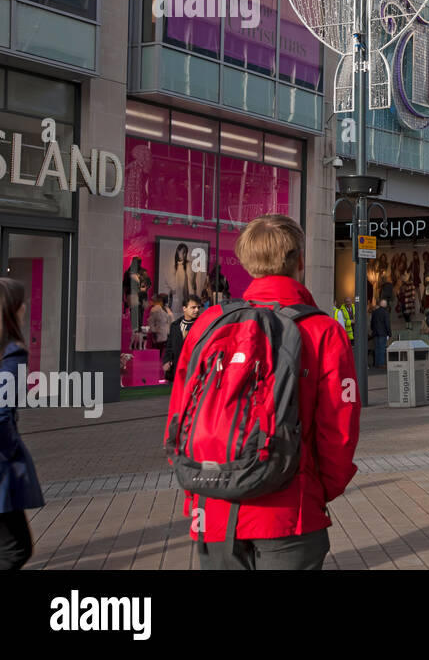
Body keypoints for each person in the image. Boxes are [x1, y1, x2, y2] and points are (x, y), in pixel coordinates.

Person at [165, 214, 360, 569]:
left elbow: (180, 407)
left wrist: (194, 474)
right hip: (289, 506)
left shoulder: (209, 324)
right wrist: (320, 489)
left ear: (247, 263)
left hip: (212, 501)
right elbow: (339, 430)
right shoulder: (321, 330)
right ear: (299, 261)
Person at [0, 278, 43, 570]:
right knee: (16, 550)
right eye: (21, 301)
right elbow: (2, 415)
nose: (26, 307)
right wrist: (11, 450)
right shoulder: (13, 355)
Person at [162, 294, 202, 382]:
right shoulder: (175, 326)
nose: (196, 310)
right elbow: (169, 346)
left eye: (198, 307)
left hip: (194, 371)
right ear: (184, 308)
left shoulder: (201, 325)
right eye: (193, 307)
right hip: (177, 370)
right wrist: (166, 360)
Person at [369, 297, 391, 368]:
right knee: (382, 349)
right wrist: (389, 333)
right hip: (383, 333)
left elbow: (372, 323)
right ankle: (381, 364)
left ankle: (376, 364)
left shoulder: (374, 312)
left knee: (376, 349)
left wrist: (373, 330)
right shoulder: (385, 312)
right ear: (385, 305)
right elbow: (387, 324)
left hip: (375, 333)